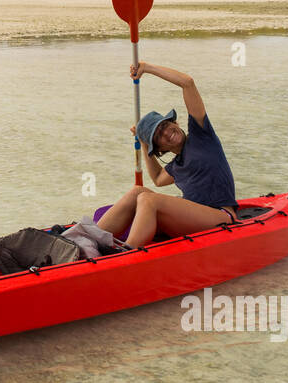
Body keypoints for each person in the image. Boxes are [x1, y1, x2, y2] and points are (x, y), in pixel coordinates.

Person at [96, 61, 239, 247]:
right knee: (137, 192)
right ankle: (88, 239)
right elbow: (157, 178)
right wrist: (143, 143)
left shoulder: (202, 137)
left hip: (220, 216)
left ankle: (125, 252)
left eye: (165, 125)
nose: (166, 132)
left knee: (148, 199)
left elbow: (187, 82)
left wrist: (147, 68)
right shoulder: (175, 166)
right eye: (159, 136)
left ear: (175, 123)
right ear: (160, 148)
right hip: (189, 221)